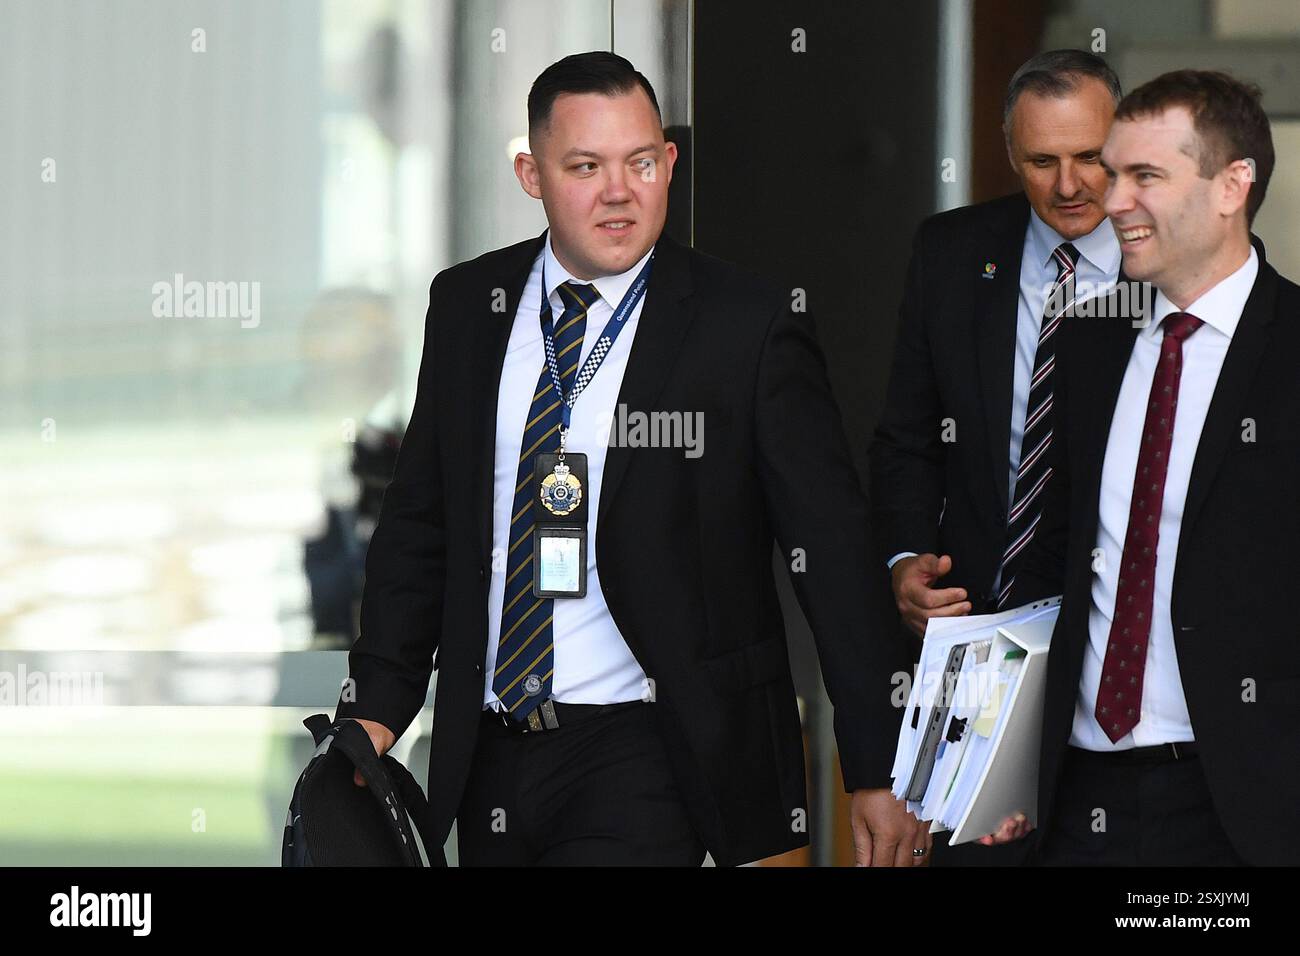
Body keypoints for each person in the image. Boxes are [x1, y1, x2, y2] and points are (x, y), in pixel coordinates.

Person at [333, 51, 921, 866]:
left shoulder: (746, 326)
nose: (620, 191)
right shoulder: (469, 306)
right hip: (492, 753)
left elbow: (832, 551)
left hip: (649, 747)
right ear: (530, 174)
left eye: (641, 162)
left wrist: (879, 765)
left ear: (669, 163)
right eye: (585, 167)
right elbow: (420, 525)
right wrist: (374, 711)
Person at [987, 70, 1299, 865]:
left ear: (1233, 187)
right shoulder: (1089, 345)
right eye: (1113, 172)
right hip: (1075, 801)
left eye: (1144, 176)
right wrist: (1000, 770)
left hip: (1244, 809)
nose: (1110, 199)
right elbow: (1045, 566)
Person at [869, 49, 1121, 864]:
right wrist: (906, 560)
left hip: (1110, 644)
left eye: (1091, 156)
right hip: (974, 641)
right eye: (1044, 161)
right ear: (1011, 156)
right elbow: (907, 438)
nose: (1070, 184)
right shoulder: (951, 252)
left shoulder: (1168, 267)